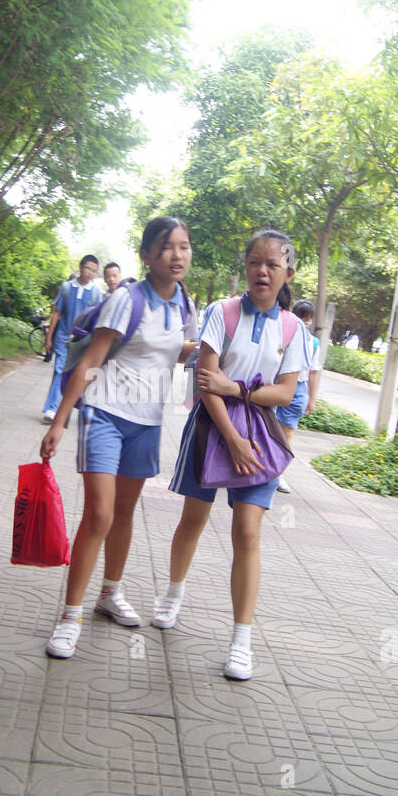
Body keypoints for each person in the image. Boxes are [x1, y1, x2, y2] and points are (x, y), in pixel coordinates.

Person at [40, 219, 198, 658]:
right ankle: (69, 615)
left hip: (147, 422)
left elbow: (174, 349)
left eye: (184, 247)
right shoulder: (125, 299)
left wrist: (210, 353)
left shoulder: (185, 305)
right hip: (104, 413)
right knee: (100, 514)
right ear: (147, 255)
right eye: (167, 247)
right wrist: (60, 421)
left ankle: (109, 593)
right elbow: (92, 358)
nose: (177, 255)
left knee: (125, 513)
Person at [161, 229, 307, 680]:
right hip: (212, 427)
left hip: (262, 437)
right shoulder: (220, 313)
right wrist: (233, 436)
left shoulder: (293, 329)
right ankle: (172, 594)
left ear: (288, 273)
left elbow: (285, 393)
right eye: (254, 262)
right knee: (192, 519)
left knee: (247, 534)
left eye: (272, 265)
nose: (262, 271)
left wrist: (236, 388)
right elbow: (207, 383)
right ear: (245, 266)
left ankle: (241, 639)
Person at [41, 256, 102, 422]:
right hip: (62, 337)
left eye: (94, 270)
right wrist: (49, 337)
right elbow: (57, 313)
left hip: (82, 342)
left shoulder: (96, 294)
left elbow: (97, 320)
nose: (90, 273)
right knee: (59, 371)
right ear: (80, 267)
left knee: (78, 376)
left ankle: (66, 409)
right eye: (88, 268)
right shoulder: (66, 287)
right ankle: (51, 409)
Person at [275, 299, 322, 494]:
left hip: (298, 389)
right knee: (263, 427)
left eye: (308, 319)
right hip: (274, 385)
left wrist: (311, 399)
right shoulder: (280, 333)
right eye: (302, 317)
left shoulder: (313, 342)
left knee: (287, 433)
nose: (305, 322)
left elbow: (313, 371)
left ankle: (278, 474)